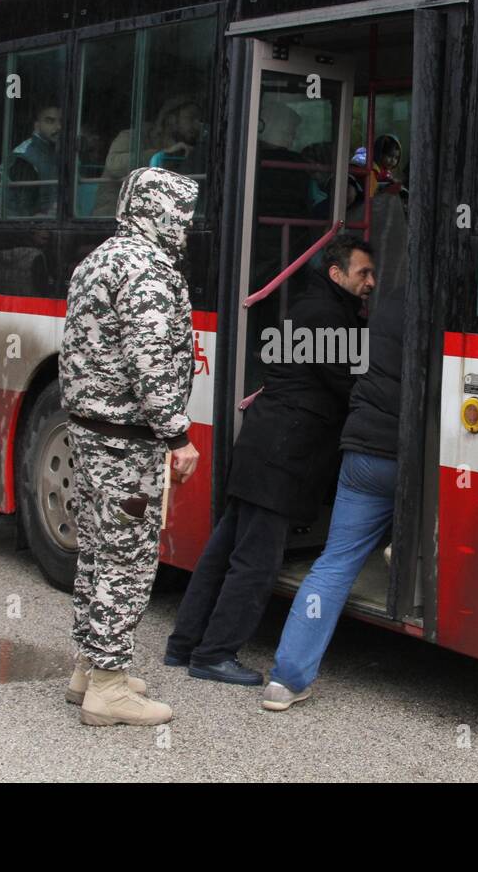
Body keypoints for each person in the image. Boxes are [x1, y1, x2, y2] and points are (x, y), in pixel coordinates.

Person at [165, 234, 377, 684]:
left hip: (264, 443)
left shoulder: (307, 306)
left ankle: (184, 645)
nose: (371, 282)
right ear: (337, 274)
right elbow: (351, 386)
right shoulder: (328, 317)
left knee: (221, 552)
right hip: (285, 455)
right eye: (364, 273)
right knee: (256, 563)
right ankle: (214, 655)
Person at [60, 166, 202, 727]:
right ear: (160, 211)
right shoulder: (148, 271)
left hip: (91, 430)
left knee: (96, 549)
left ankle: (90, 666)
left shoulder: (101, 257)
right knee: (127, 558)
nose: (187, 227)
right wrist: (177, 435)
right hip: (126, 443)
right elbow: (150, 363)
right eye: (182, 215)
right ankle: (109, 689)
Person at [262, 295, 404, 710]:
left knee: (335, 562)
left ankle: (285, 680)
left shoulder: (383, 310)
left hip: (362, 450)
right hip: (412, 457)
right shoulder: (443, 306)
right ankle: (409, 546)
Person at [8, 101, 62, 215]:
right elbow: (23, 208)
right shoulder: (24, 157)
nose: (58, 127)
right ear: (37, 126)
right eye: (50, 121)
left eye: (61, 121)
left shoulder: (56, 150)